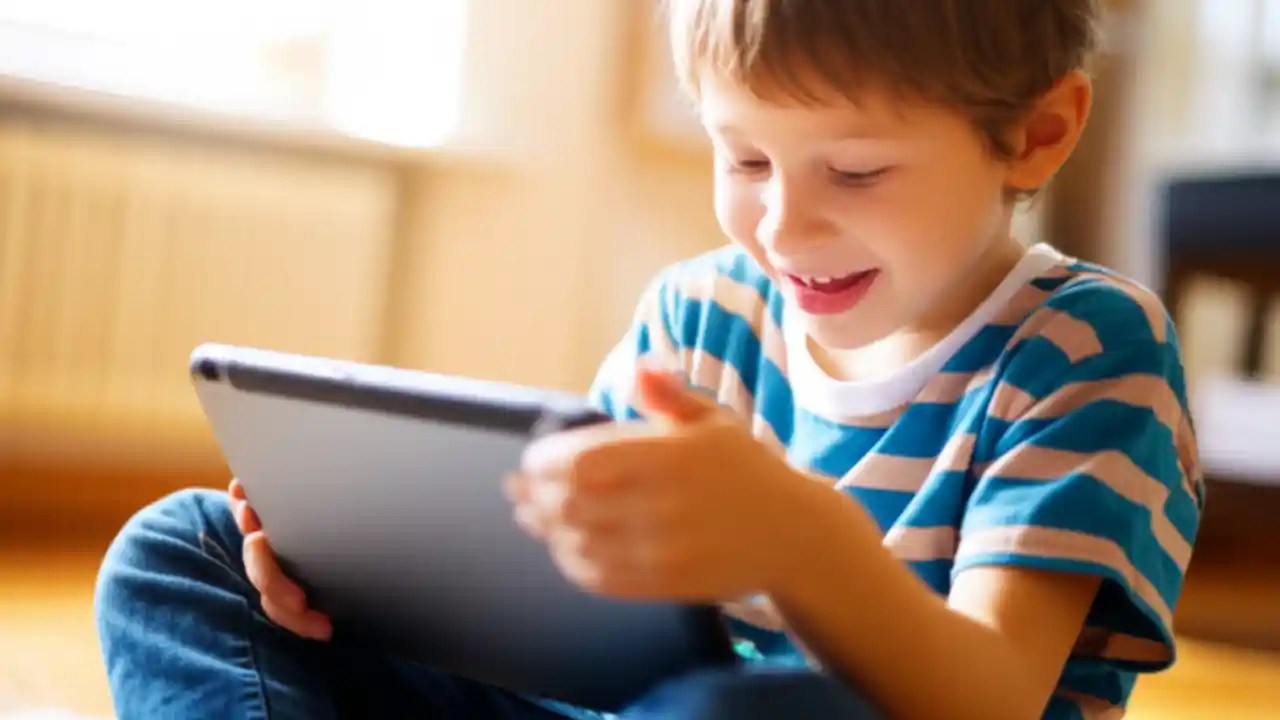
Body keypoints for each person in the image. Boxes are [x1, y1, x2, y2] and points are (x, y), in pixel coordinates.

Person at [96, 1, 1203, 717]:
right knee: (181, 550)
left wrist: (797, 536)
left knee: (739, 711)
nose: (782, 226)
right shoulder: (699, 310)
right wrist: (364, 569)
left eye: (857, 172)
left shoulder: (1084, 351)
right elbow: (579, 603)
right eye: (744, 158)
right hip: (621, 706)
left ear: (1036, 135)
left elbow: (990, 698)